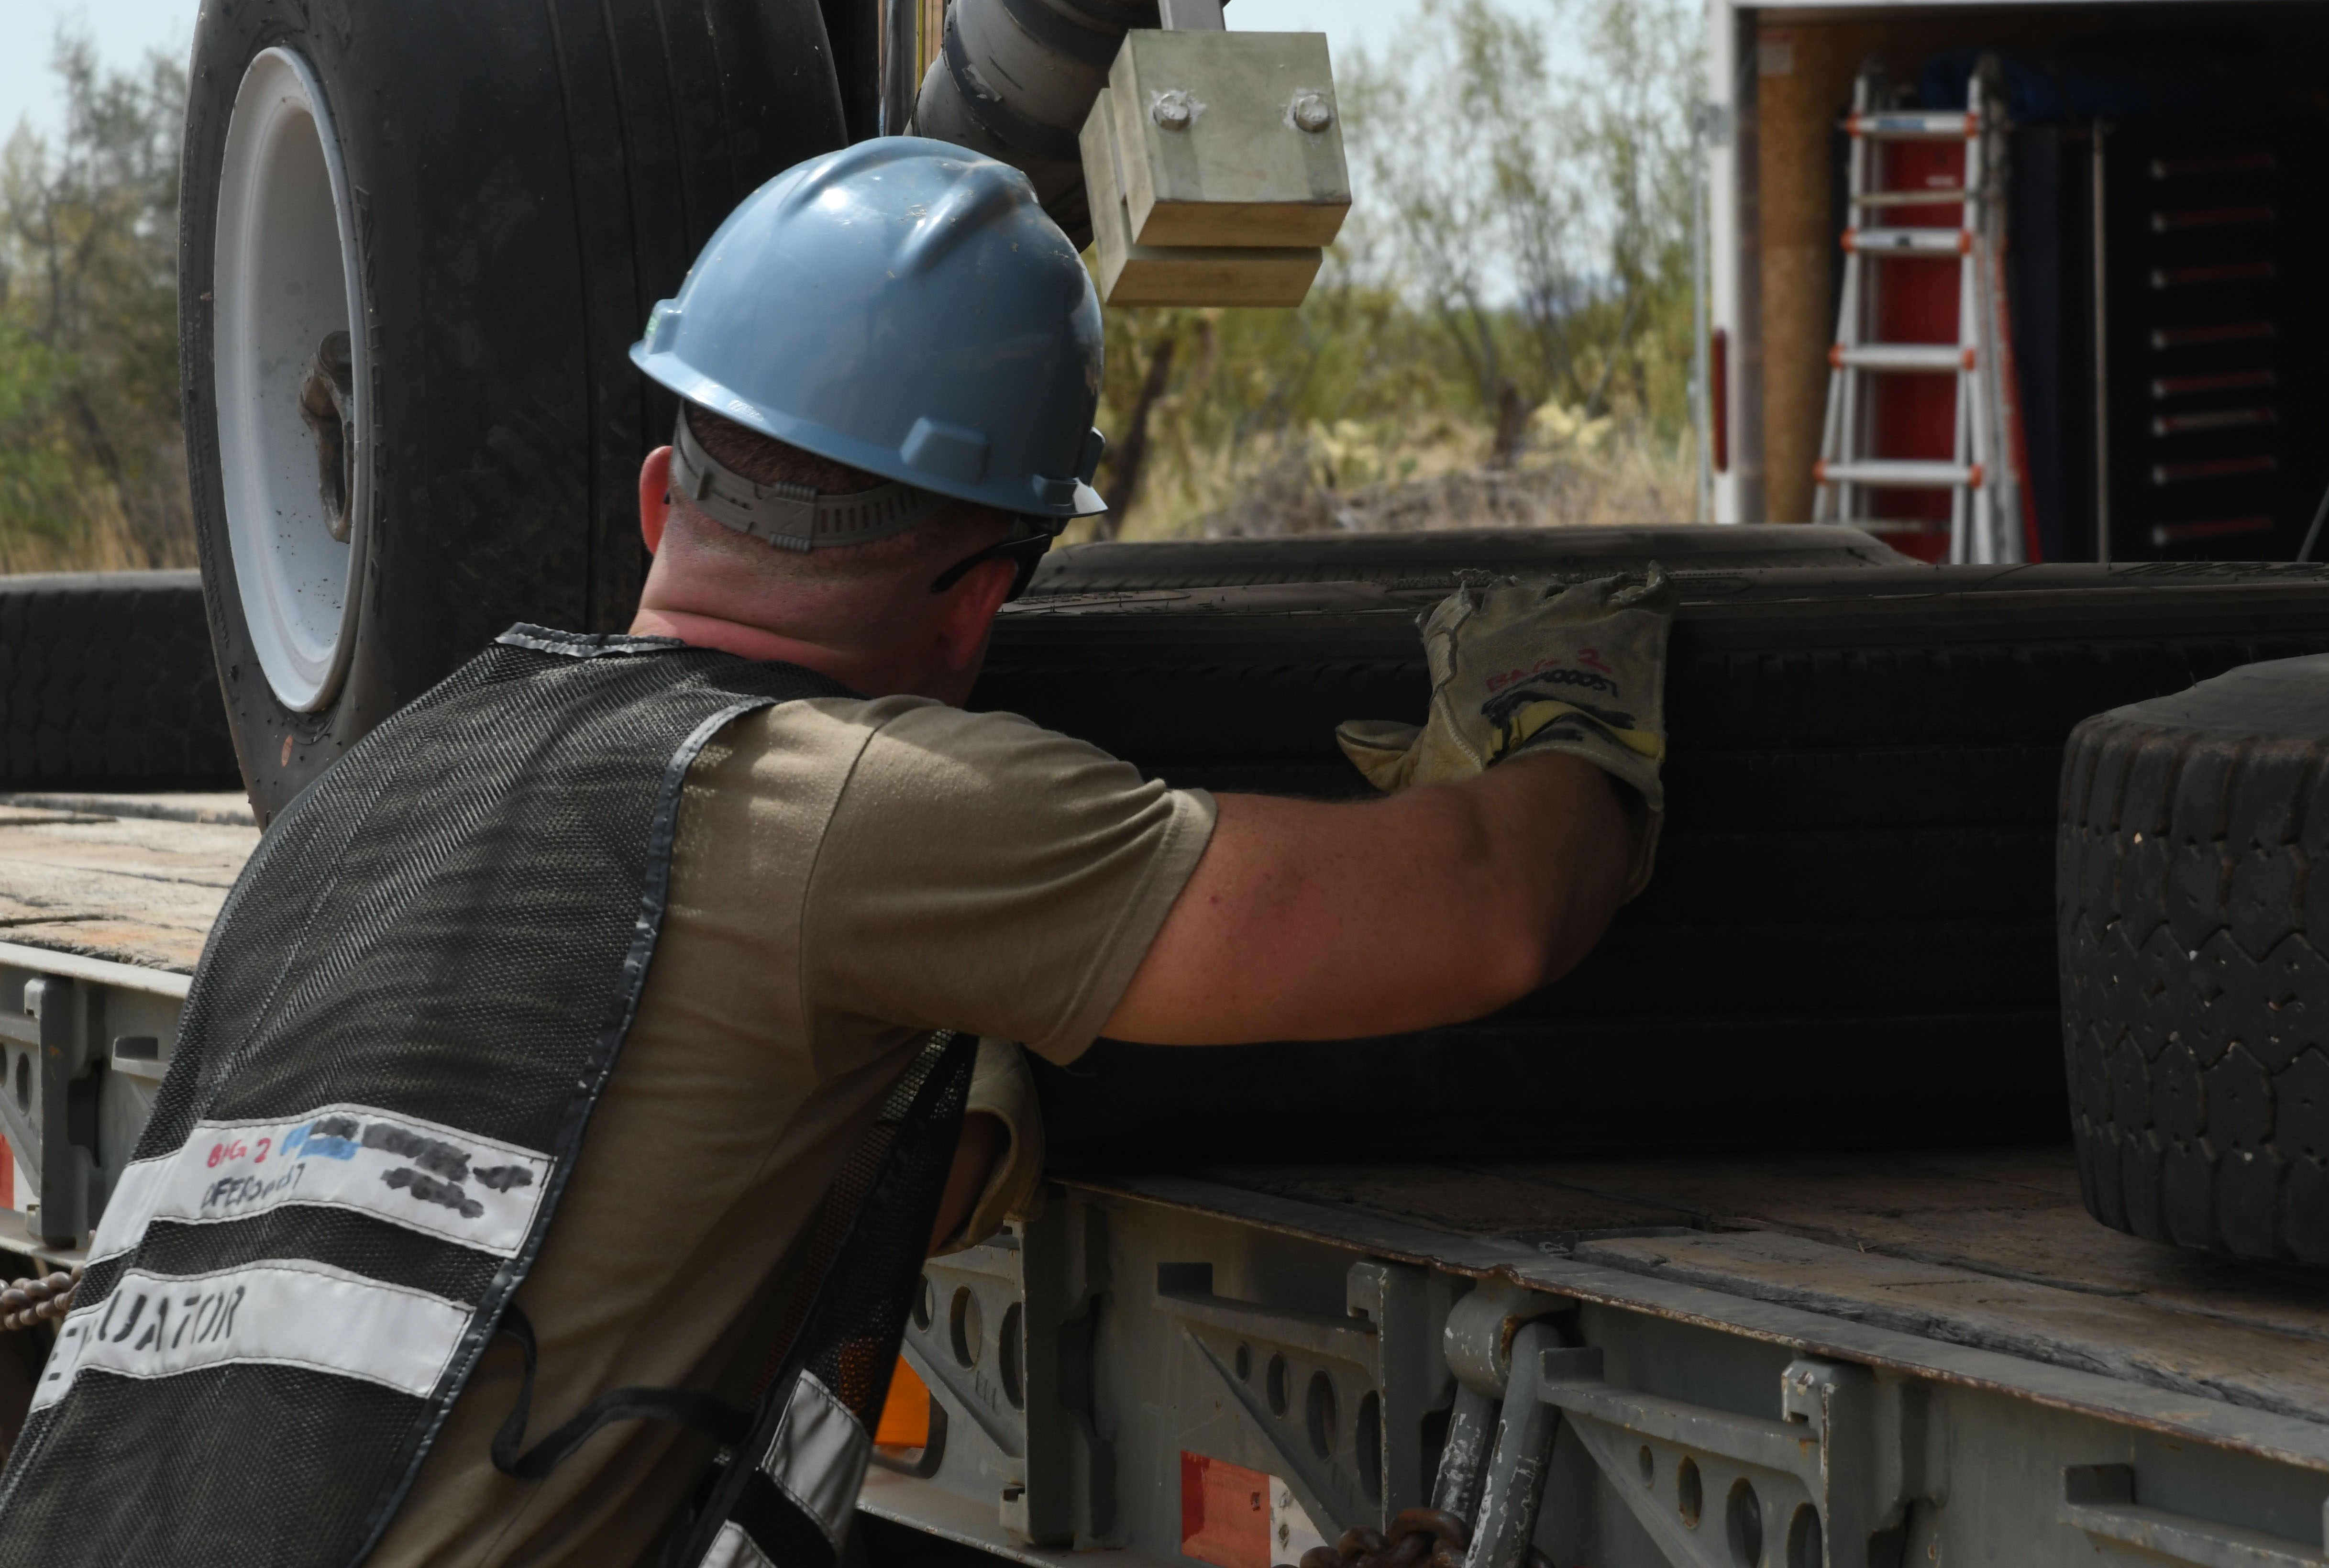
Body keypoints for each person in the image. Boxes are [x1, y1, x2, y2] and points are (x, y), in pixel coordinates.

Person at [0, 139, 1669, 1568]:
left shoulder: (381, 786)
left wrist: (932, 1118)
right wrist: (1571, 717)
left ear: (660, 500)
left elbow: (600, 1197)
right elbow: (1491, 915)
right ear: (978, 604)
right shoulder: (862, 807)